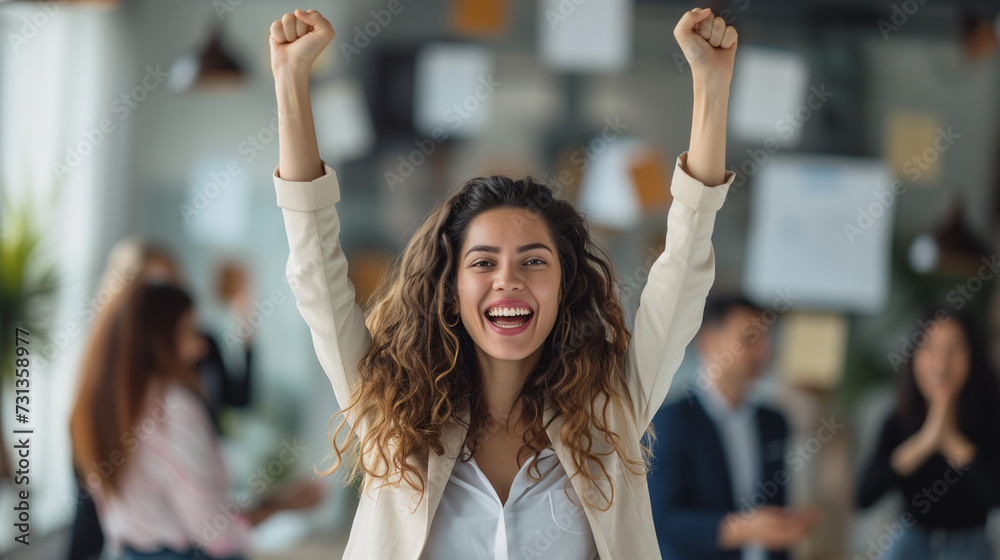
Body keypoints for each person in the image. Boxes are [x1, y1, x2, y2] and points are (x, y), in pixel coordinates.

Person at [269, 6, 737, 559]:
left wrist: (710, 84)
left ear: (565, 285)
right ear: (450, 285)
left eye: (534, 261)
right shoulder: (392, 410)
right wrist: (291, 81)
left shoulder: (611, 410)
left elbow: (682, 274)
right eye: (483, 262)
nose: (508, 280)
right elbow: (315, 272)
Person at [69, 282, 319, 560]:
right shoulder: (173, 409)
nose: (201, 346)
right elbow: (214, 533)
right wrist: (280, 505)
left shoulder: (103, 407)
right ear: (158, 340)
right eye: (189, 332)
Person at [67, 239, 255, 560]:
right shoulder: (165, 404)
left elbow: (239, 398)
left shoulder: (193, 355)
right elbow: (210, 529)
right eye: (152, 289)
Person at [647, 294, 819, 560]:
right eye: (750, 339)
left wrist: (786, 524)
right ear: (709, 342)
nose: (764, 351)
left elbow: (774, 505)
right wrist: (741, 529)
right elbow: (660, 518)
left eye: (766, 339)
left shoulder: (774, 422)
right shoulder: (671, 421)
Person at [857, 307, 1000, 560]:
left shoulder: (990, 418)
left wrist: (949, 439)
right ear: (914, 356)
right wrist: (925, 441)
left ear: (973, 357)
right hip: (910, 540)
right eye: (930, 348)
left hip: (970, 545)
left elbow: (995, 496)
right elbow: (863, 497)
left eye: (954, 349)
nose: (941, 362)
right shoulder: (897, 420)